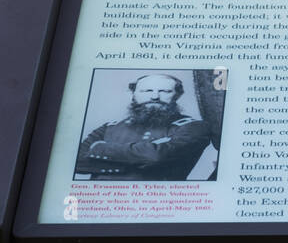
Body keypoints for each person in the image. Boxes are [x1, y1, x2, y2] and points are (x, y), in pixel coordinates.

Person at [76, 74, 211, 180]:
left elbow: (156, 156)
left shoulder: (194, 127)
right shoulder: (109, 127)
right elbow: (78, 163)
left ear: (177, 95)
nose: (154, 97)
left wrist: (99, 148)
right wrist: (139, 160)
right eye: (147, 90)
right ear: (132, 94)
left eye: (165, 91)